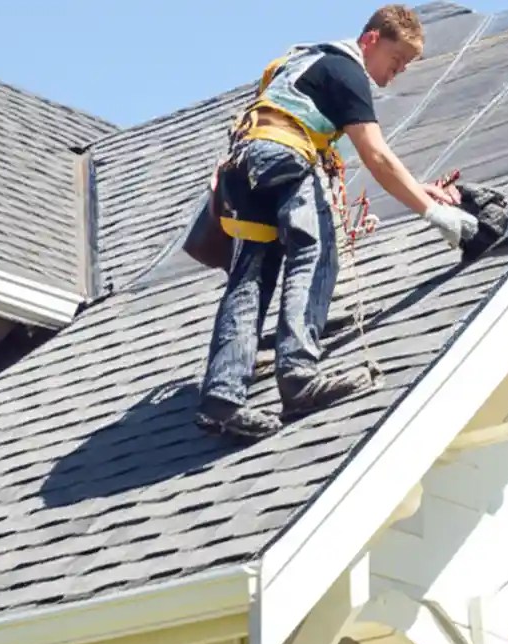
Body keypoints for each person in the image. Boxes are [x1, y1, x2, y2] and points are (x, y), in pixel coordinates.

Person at [196, 4, 479, 441]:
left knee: (251, 278)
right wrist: (435, 214)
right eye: (396, 59)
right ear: (370, 41)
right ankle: (298, 377)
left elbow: (305, 131)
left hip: (245, 169)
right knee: (316, 250)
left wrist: (423, 190)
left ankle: (222, 400)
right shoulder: (346, 72)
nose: (398, 71)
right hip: (285, 158)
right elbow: (377, 156)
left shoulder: (302, 60)